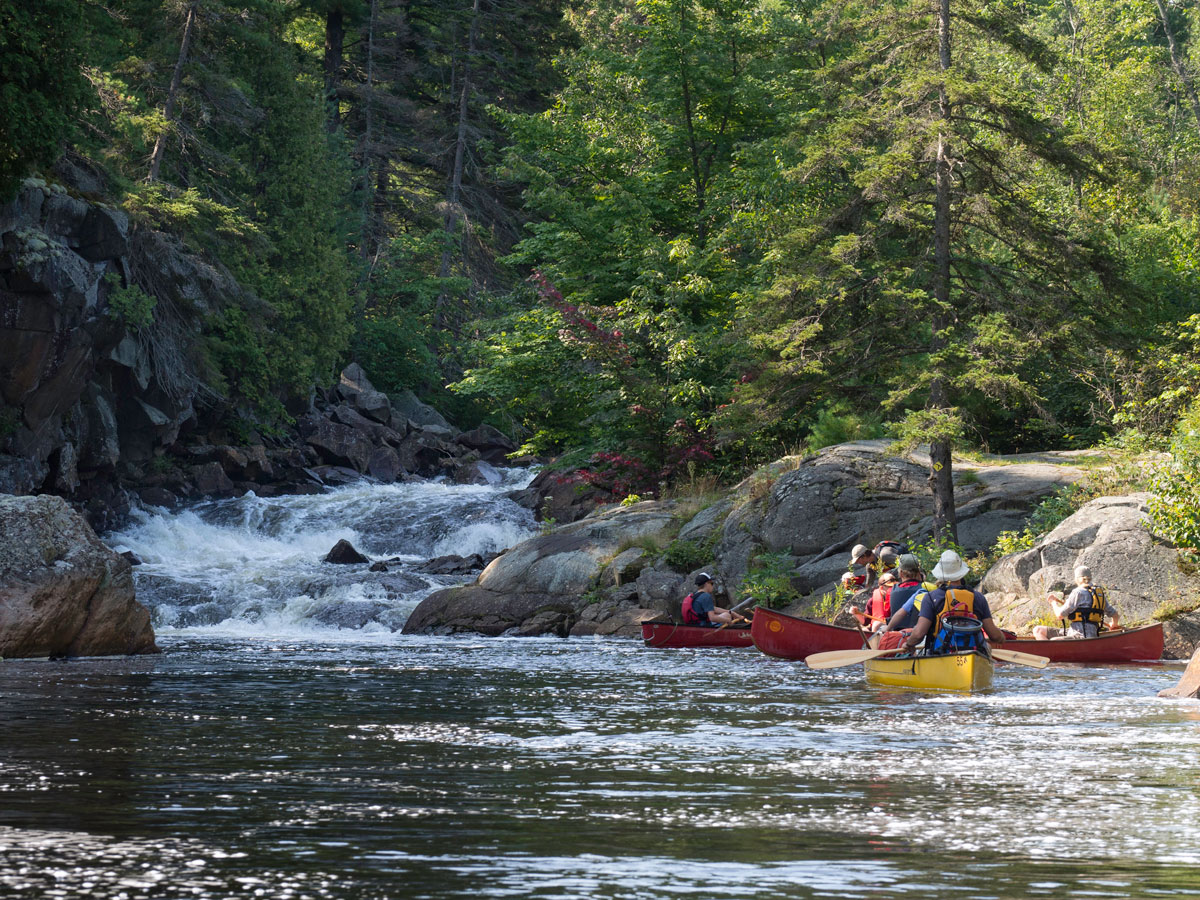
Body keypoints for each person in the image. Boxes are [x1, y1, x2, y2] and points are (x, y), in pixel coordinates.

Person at [895, 550, 1005, 655]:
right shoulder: (978, 597)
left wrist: (908, 644)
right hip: (974, 652)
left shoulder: (931, 597)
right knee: (988, 648)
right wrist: (1002, 637)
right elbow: (995, 636)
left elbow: (919, 634)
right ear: (961, 573)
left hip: (941, 654)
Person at [1032, 566, 1118, 640]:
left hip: (1080, 636)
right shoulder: (1099, 593)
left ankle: (1048, 656)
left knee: (1053, 640)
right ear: (1090, 578)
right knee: (1038, 630)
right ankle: (1048, 654)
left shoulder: (1078, 592)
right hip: (1075, 631)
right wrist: (1114, 625)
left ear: (1077, 579)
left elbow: (1060, 615)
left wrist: (1053, 602)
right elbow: (1115, 615)